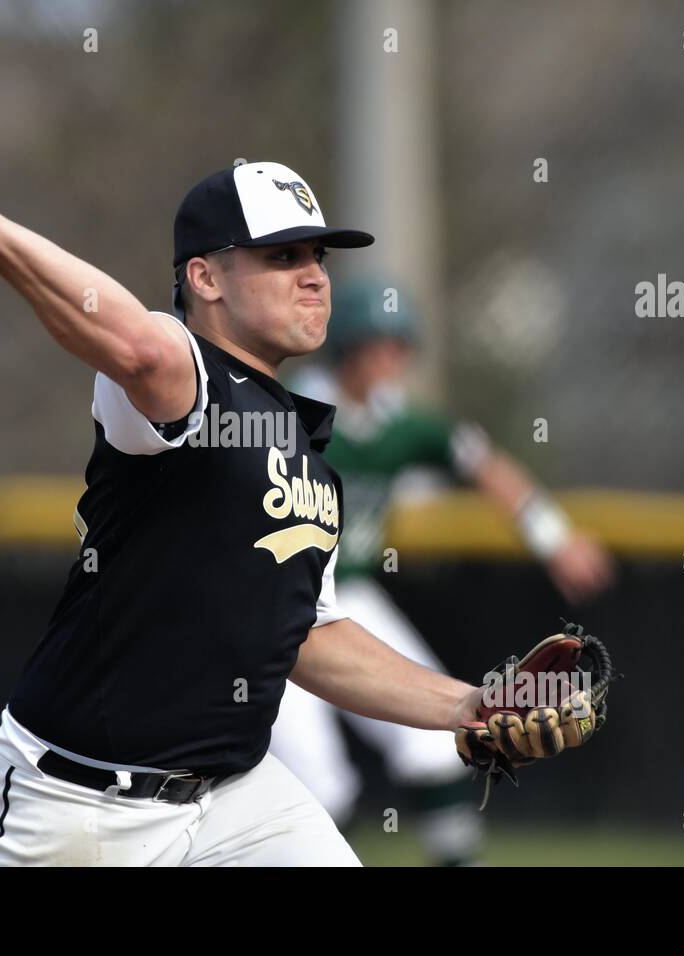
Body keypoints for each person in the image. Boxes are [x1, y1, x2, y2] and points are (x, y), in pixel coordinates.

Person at [0, 160, 497, 866]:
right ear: (206, 278)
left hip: (234, 801)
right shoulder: (181, 383)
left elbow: (309, 639)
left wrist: (466, 706)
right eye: (282, 256)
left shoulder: (307, 449)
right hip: (76, 804)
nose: (314, 276)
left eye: (316, 257)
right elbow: (135, 348)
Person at [269, 279, 615, 865]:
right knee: (319, 782)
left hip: (347, 594)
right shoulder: (288, 413)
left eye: (400, 348)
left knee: (441, 742)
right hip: (273, 602)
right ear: (346, 348)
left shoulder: (400, 424)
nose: (394, 361)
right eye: (380, 346)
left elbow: (485, 465)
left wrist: (553, 539)